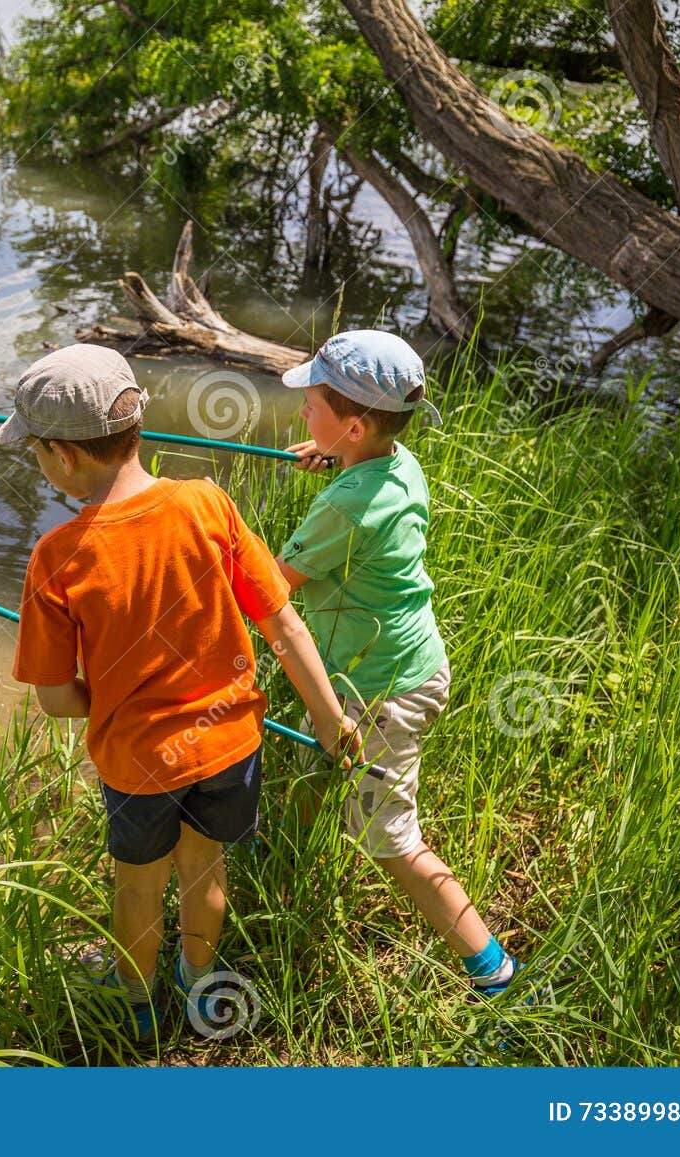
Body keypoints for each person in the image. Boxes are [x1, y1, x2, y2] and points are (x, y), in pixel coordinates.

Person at [0, 343, 360, 1040]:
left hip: (140, 766)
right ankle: (199, 983)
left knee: (138, 886)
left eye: (39, 455)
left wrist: (110, 703)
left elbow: (53, 697)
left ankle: (136, 1000)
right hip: (231, 746)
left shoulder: (56, 558)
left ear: (63, 457)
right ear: (136, 426)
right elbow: (282, 620)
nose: (43, 467)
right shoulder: (208, 503)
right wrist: (328, 716)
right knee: (205, 868)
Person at [279, 329, 521, 996]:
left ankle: (494, 969)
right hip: (401, 666)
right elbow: (371, 476)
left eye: (315, 407)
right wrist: (335, 458)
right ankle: (283, 857)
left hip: (383, 690)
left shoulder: (346, 506)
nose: (303, 412)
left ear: (354, 425)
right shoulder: (394, 463)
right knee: (318, 768)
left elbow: (270, 587)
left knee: (392, 842)